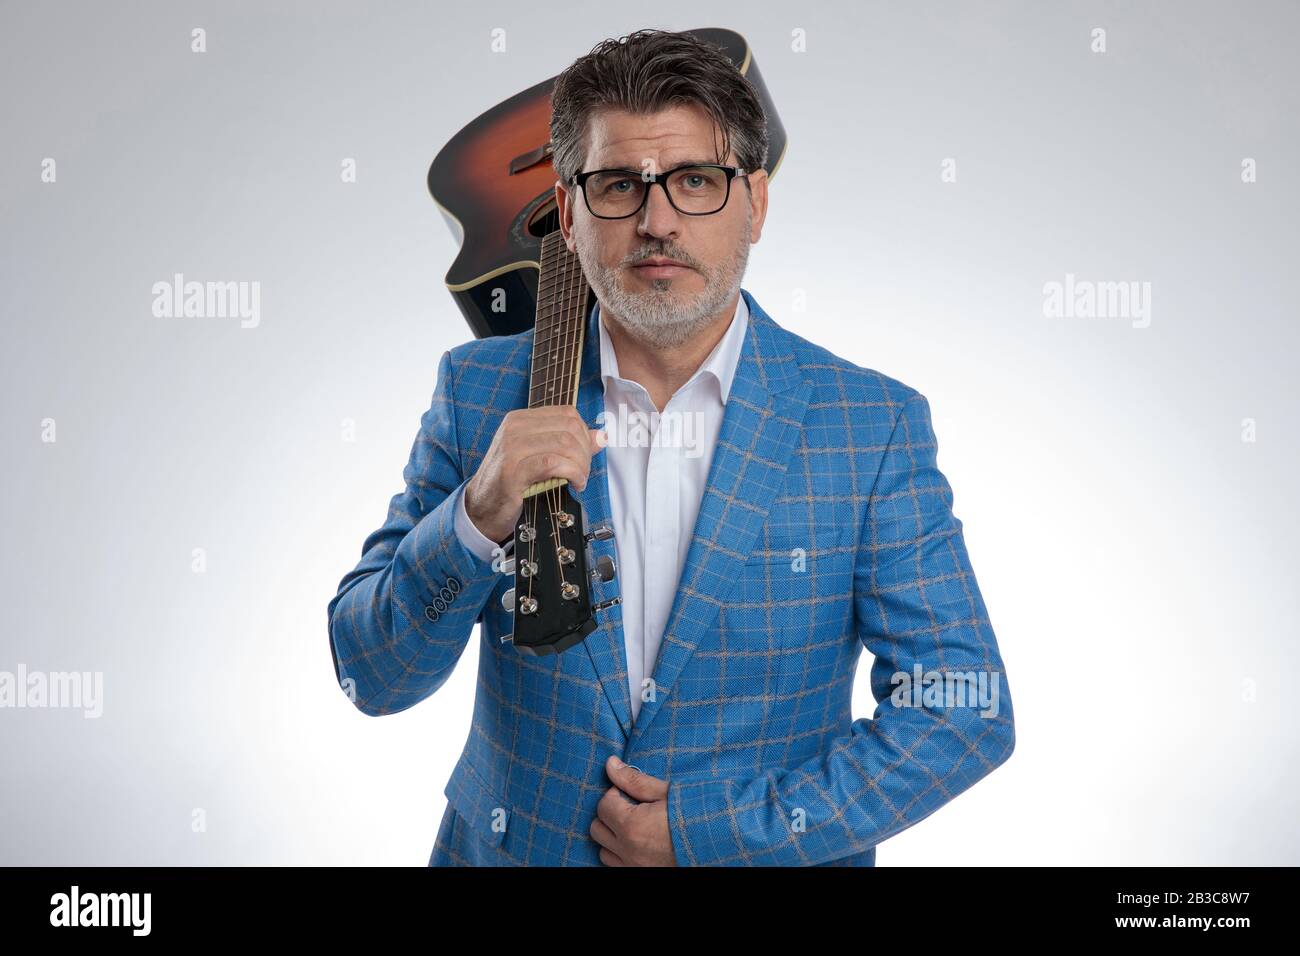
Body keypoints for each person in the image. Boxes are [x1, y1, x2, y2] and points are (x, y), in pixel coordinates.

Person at [327, 28, 1015, 867]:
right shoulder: (478, 394)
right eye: (619, 185)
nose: (657, 221)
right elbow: (374, 675)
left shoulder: (870, 426)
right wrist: (475, 517)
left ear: (755, 204)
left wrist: (712, 834)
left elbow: (961, 712)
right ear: (570, 215)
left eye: (696, 181)